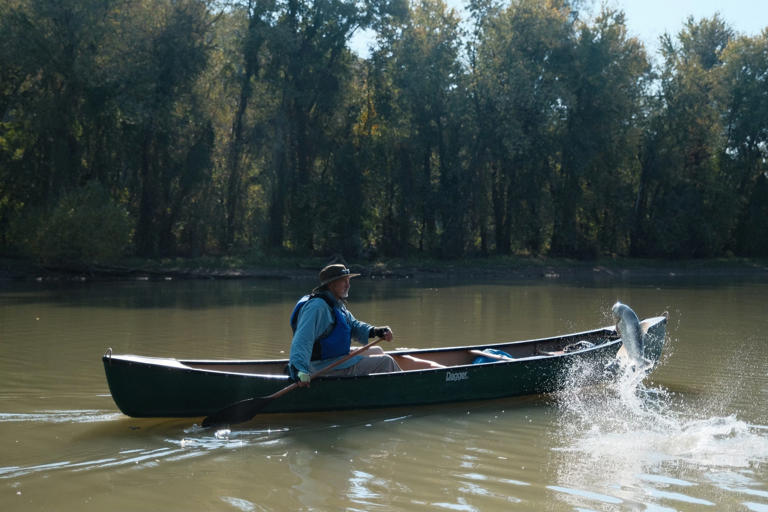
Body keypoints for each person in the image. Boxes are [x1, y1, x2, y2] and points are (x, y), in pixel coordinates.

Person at [288, 264, 401, 386]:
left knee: (378, 350)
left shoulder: (335, 303)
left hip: (334, 359)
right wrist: (299, 370)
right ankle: (404, 391)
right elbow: (302, 340)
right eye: (343, 281)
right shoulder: (317, 307)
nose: (348, 285)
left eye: (348, 280)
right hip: (321, 367)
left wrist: (375, 331)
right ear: (331, 284)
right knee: (386, 362)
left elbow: (354, 325)